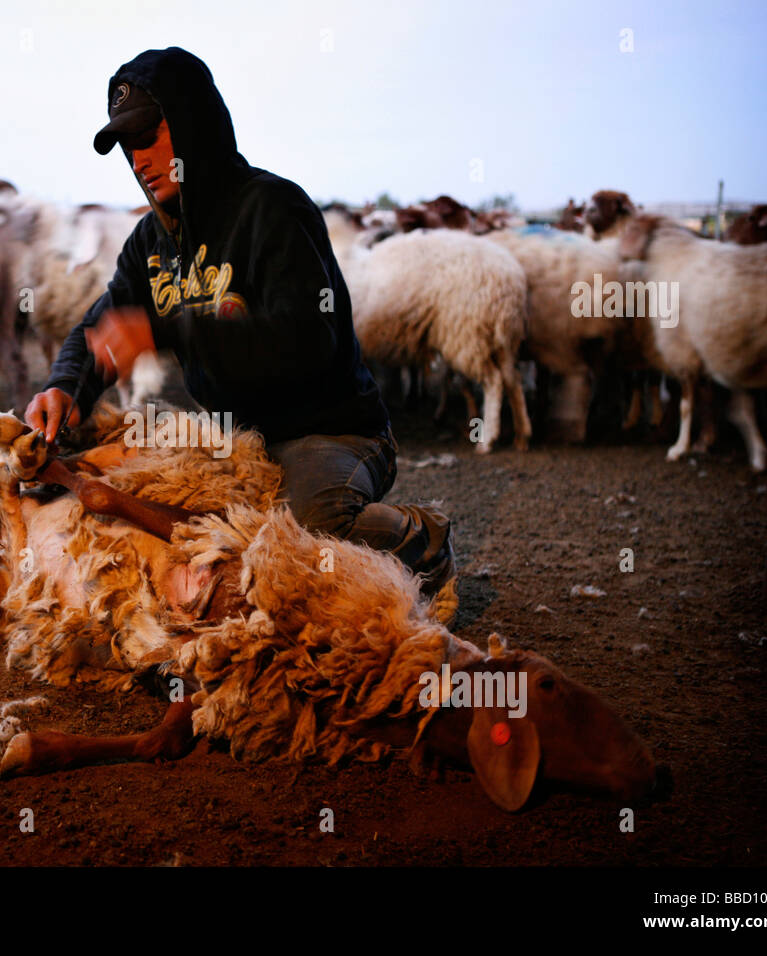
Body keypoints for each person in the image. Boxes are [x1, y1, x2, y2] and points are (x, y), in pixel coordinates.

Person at [24, 46, 454, 594]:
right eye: (128, 147)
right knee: (163, 526)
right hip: (238, 441)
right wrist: (65, 386)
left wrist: (167, 329)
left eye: (150, 136)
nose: (138, 160)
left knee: (299, 537)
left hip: (329, 429)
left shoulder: (273, 209)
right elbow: (103, 323)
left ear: (193, 124)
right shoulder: (150, 241)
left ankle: (425, 539)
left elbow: (305, 339)